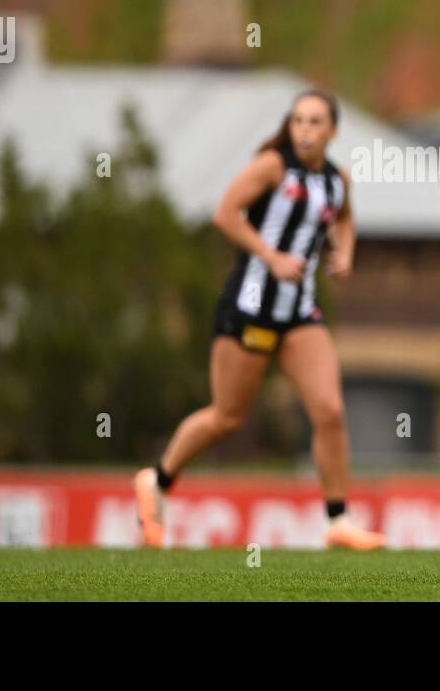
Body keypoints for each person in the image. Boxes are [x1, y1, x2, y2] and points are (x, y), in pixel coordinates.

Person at [135, 90, 385, 550]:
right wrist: (270, 257)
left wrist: (344, 252)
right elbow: (225, 214)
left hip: (300, 312)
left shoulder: (336, 180)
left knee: (329, 411)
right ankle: (158, 479)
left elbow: (344, 219)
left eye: (315, 122)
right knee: (227, 416)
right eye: (298, 121)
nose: (305, 130)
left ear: (332, 131)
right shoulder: (272, 167)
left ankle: (337, 520)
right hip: (250, 307)